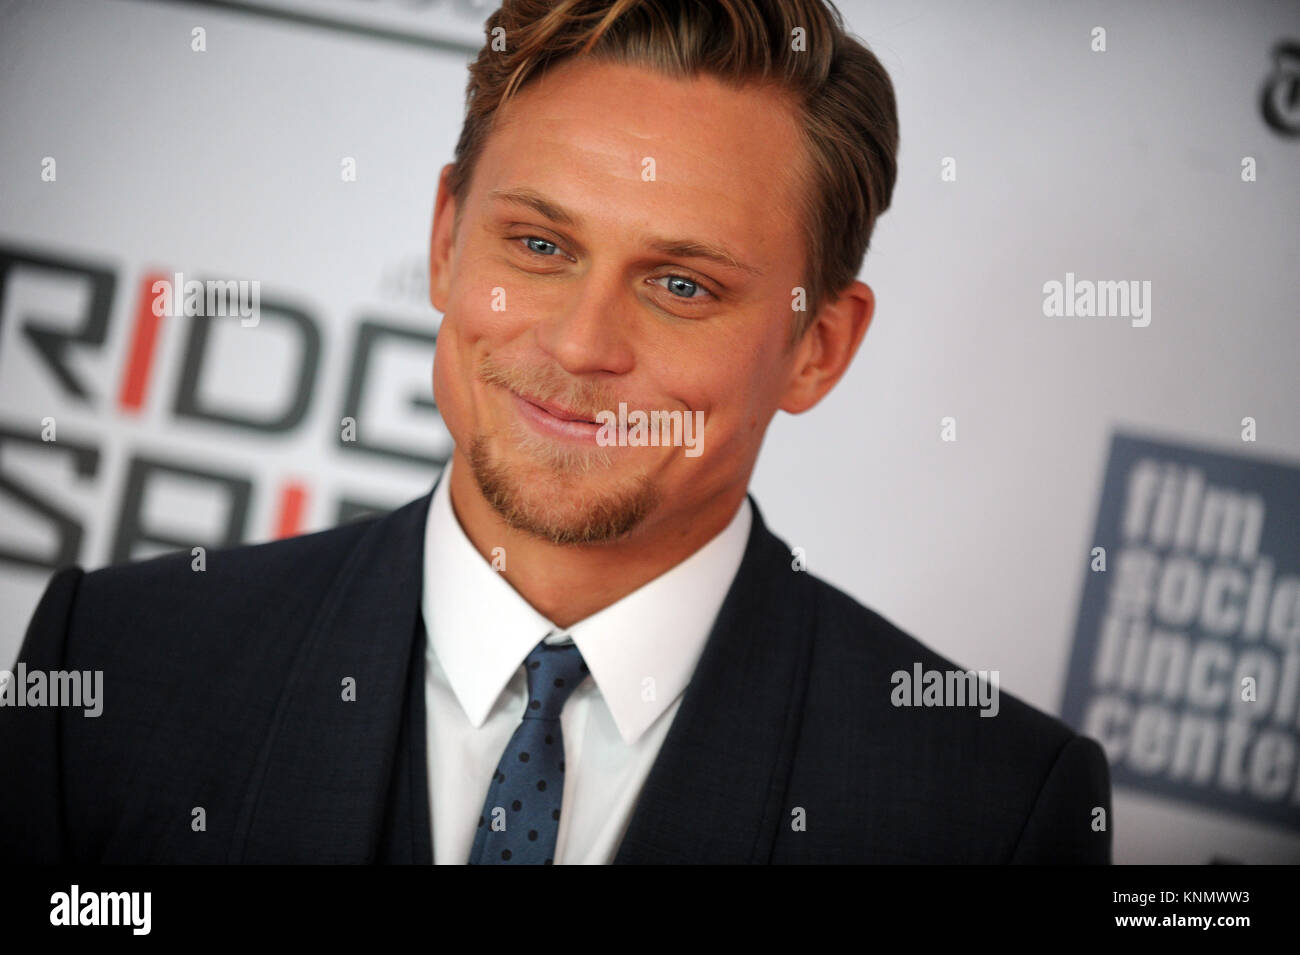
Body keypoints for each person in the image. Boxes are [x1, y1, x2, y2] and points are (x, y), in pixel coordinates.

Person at [0, 0, 1111, 864]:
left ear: (817, 344)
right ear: (446, 239)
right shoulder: (113, 671)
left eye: (680, 283)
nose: (583, 345)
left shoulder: (991, 809)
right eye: (537, 246)